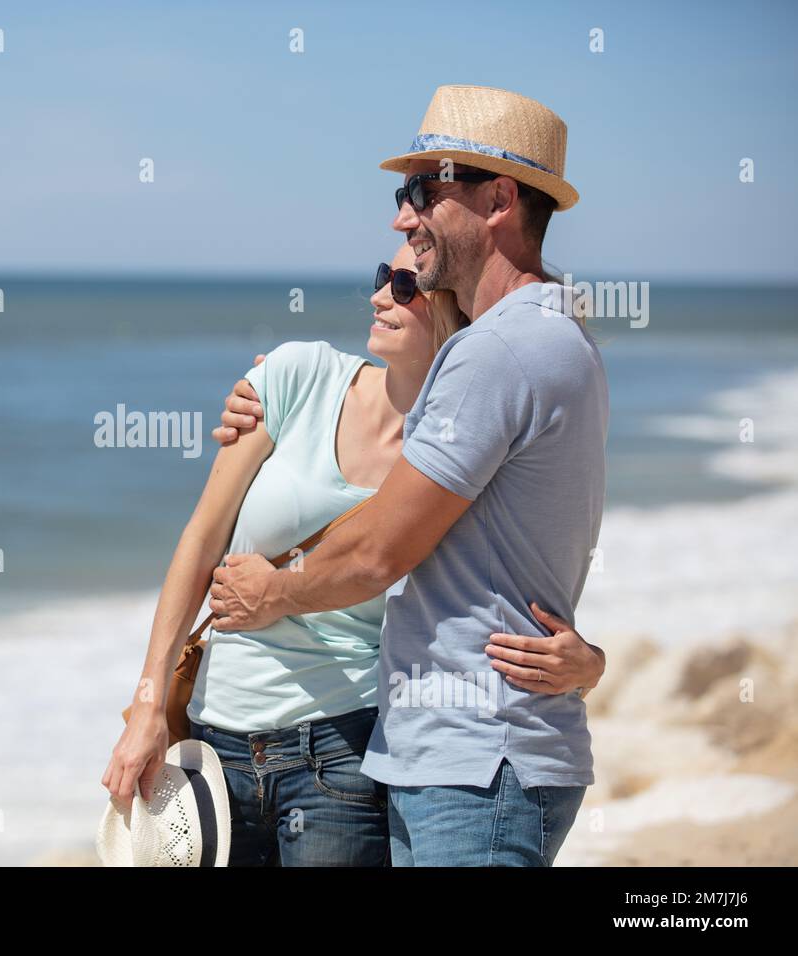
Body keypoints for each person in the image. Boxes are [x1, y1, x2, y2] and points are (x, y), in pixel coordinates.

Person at [102, 237, 606, 866]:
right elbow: (200, 539)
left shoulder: (459, 450)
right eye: (380, 277)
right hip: (212, 741)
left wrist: (586, 663)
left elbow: (501, 576)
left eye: (404, 285)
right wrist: (148, 705)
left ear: (453, 309)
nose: (377, 297)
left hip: (344, 754)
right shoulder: (295, 376)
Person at [206, 85, 608, 866]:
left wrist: (272, 592)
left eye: (426, 191)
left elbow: (378, 553)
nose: (403, 216)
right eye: (403, 193)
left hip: (477, 765)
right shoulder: (556, 334)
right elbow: (510, 545)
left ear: (498, 198)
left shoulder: (500, 351)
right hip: (466, 757)